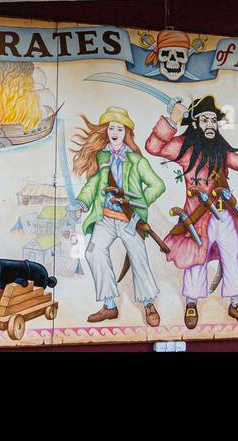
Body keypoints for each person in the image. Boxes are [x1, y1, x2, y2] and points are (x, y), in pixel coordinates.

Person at [146, 96, 238, 330]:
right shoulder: (184, 149)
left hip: (225, 215)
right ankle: (191, 303)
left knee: (234, 257)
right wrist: (172, 119)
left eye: (213, 119)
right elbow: (154, 147)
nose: (210, 124)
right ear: (195, 124)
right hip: (198, 216)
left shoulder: (222, 150)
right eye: (205, 119)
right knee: (195, 259)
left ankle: (236, 303)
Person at [72, 107, 167, 325]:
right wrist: (81, 203)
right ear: (107, 131)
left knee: (139, 258)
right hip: (104, 218)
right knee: (94, 252)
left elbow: (158, 186)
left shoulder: (136, 161)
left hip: (130, 220)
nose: (115, 132)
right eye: (112, 128)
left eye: (120, 128)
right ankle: (109, 305)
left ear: (126, 133)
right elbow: (93, 184)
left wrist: (137, 202)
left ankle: (149, 304)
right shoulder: (102, 156)